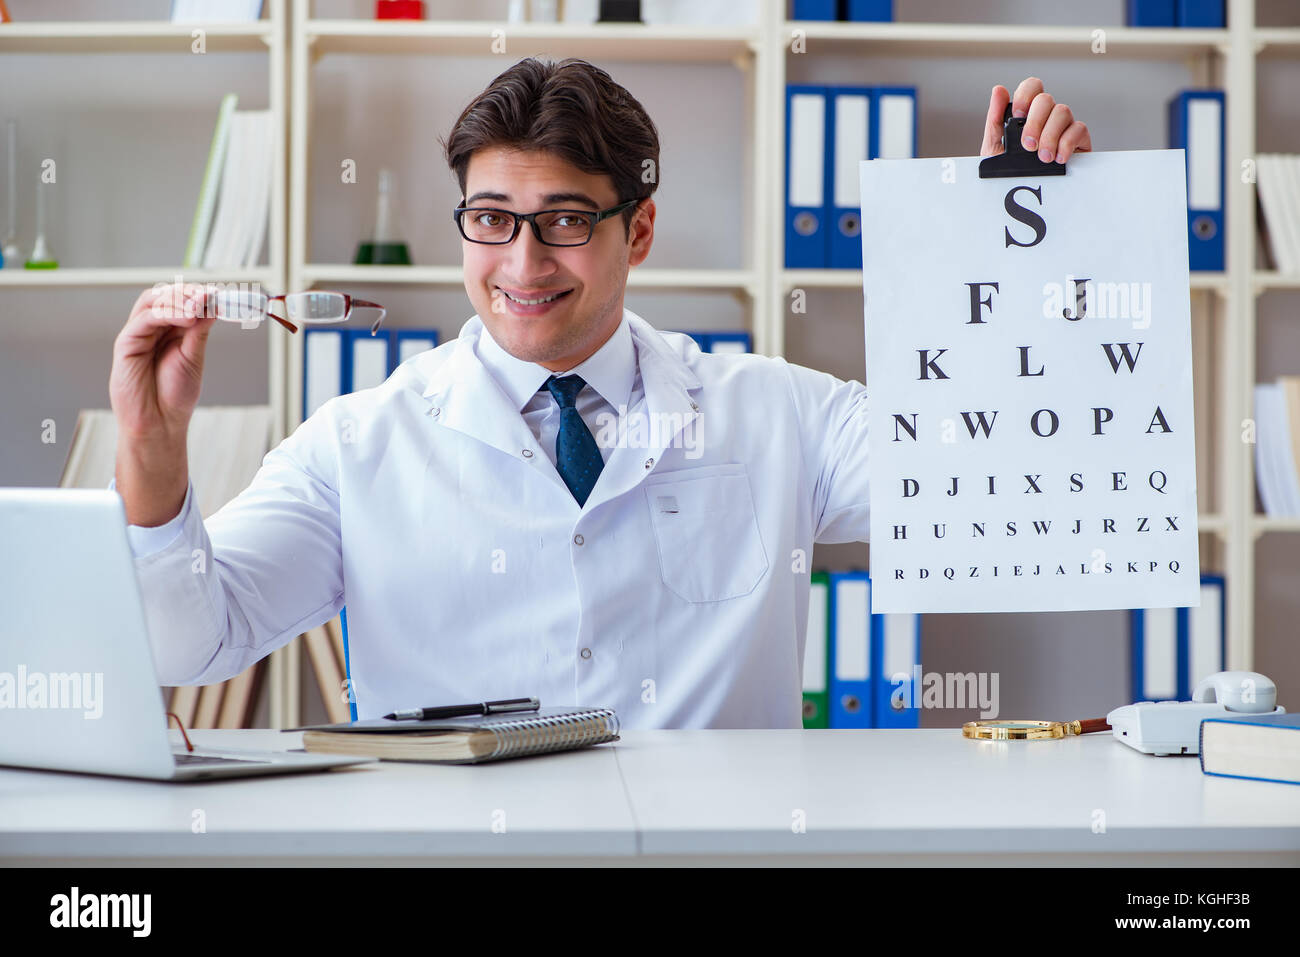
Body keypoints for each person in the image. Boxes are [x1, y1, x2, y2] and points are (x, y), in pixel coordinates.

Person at [108, 61, 1091, 729]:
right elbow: (190, 643)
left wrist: (1019, 243)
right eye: (491, 219)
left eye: (565, 221)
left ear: (642, 230)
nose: (521, 263)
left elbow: (997, 474)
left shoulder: (780, 414)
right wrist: (151, 452)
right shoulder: (357, 446)